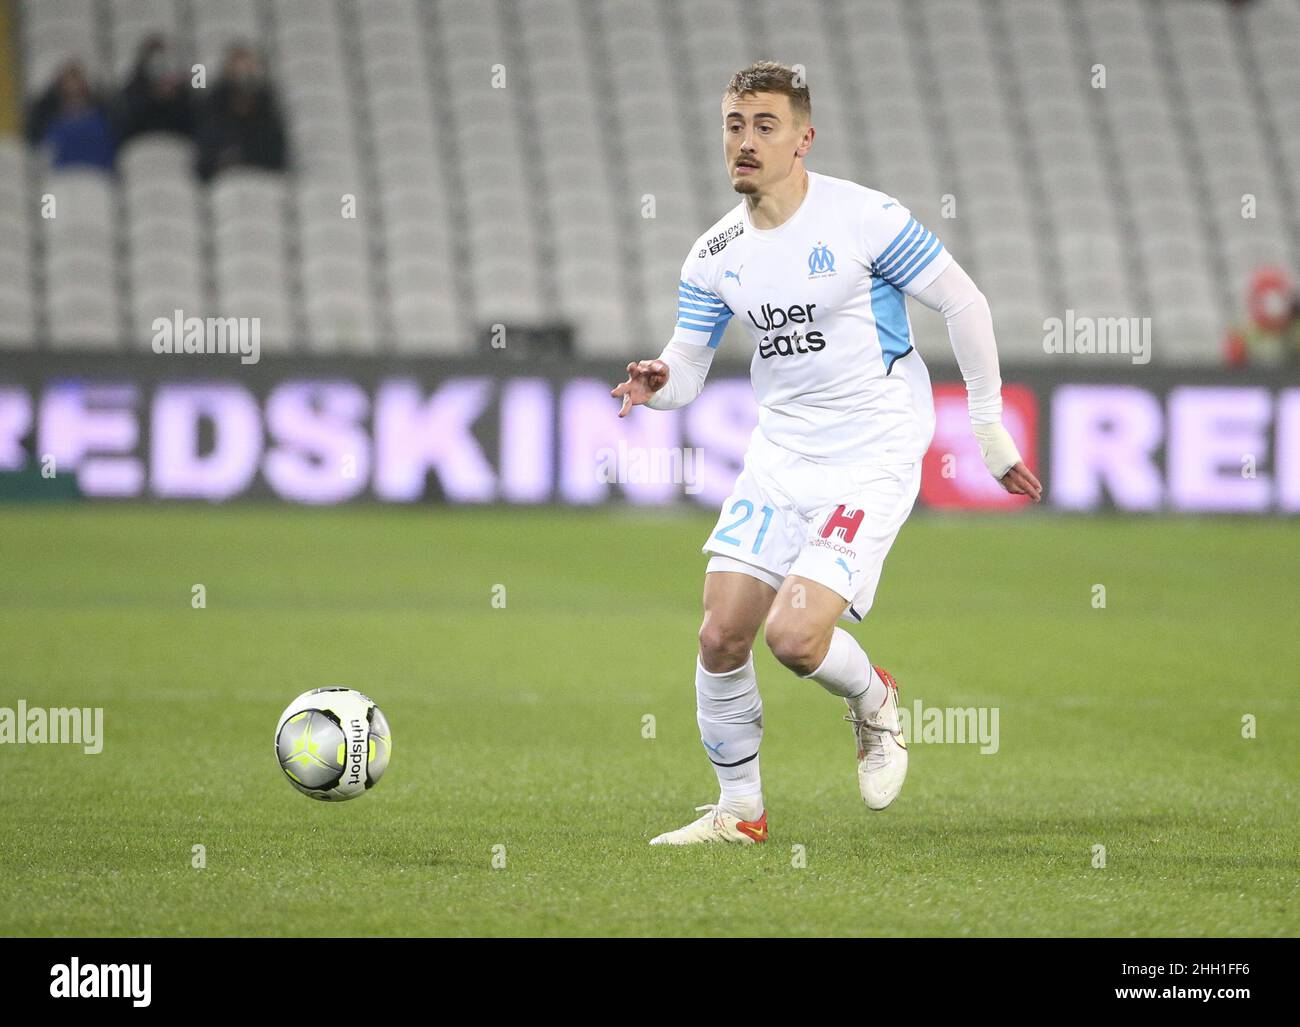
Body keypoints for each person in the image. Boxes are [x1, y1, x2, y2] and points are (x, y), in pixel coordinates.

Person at [610, 62, 1042, 846]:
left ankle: (874, 697)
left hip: (872, 451)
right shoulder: (713, 253)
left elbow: (963, 302)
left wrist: (987, 430)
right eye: (734, 124)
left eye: (764, 125)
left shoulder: (864, 218)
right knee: (719, 636)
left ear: (804, 138)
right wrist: (658, 380)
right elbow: (689, 368)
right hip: (781, 454)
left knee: (793, 637)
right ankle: (740, 813)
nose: (745, 141)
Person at [195, 44, 286, 181]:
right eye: (239, 71)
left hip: (261, 182)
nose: (244, 77)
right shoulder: (213, 114)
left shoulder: (268, 115)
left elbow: (276, 158)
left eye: (249, 71)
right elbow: (205, 161)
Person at [27, 61, 116, 171]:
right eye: (69, 95)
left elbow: (109, 156)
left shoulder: (101, 124)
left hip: (98, 177)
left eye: (78, 94)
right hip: (62, 180)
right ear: (61, 95)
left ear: (85, 92)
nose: (75, 99)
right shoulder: (54, 127)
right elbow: (45, 158)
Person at [115, 34, 195, 144]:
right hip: (142, 144)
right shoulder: (132, 92)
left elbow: (191, 122)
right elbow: (128, 123)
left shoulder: (183, 92)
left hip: (177, 141)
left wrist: (174, 97)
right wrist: (153, 95)